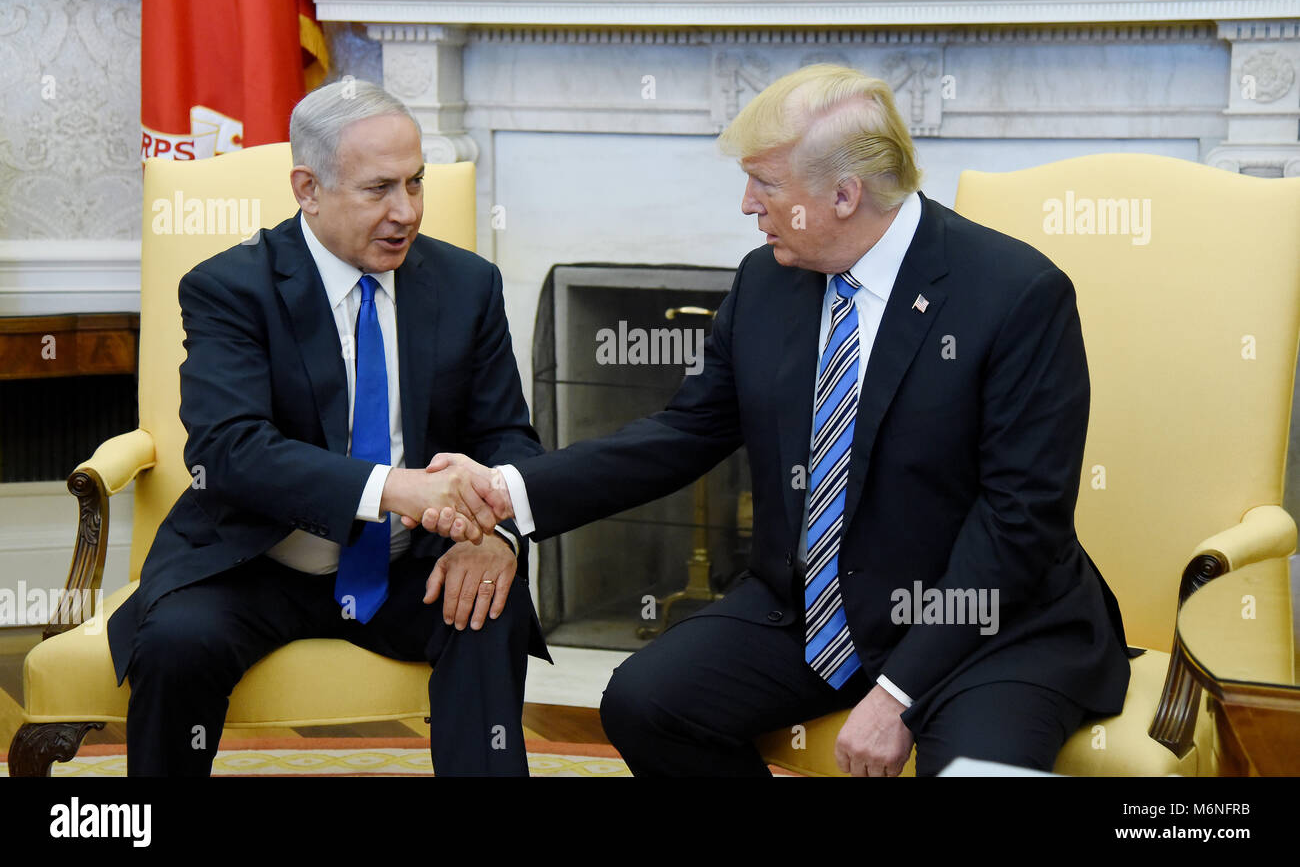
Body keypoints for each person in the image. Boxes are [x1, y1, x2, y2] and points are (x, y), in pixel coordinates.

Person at [417, 64, 1133, 777]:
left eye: (765, 183)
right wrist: (509, 490)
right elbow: (682, 434)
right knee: (646, 703)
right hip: (812, 614)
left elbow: (1018, 521)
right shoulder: (769, 280)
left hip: (982, 626)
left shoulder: (1015, 294)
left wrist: (897, 692)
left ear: (845, 194)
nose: (746, 205)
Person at [107, 79, 549, 777]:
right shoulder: (231, 288)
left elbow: (509, 439)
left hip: (410, 565)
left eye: (416, 182)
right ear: (307, 188)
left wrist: (495, 535)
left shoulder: (468, 285)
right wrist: (392, 488)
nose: (407, 211)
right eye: (379, 189)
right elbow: (230, 450)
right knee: (175, 645)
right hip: (254, 562)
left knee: (490, 605)